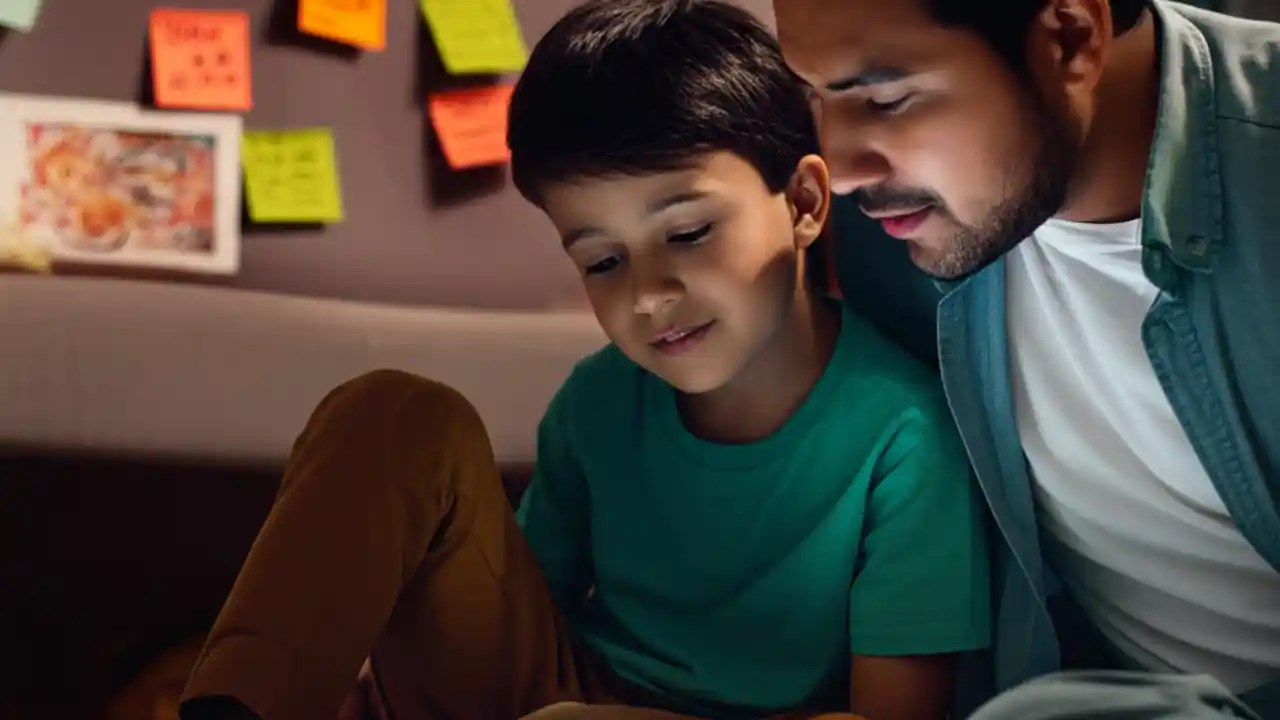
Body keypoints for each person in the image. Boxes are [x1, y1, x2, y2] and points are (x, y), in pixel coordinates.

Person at [178, 2, 991, 719]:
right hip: (565, 691)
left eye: (688, 232)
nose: (648, 294)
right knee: (394, 411)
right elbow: (516, 616)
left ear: (805, 203)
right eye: (602, 261)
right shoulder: (599, 400)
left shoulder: (905, 435)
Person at [771, 0, 1280, 715]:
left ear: (1071, 37)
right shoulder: (895, 223)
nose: (843, 169)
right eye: (816, 95)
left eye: (886, 99)